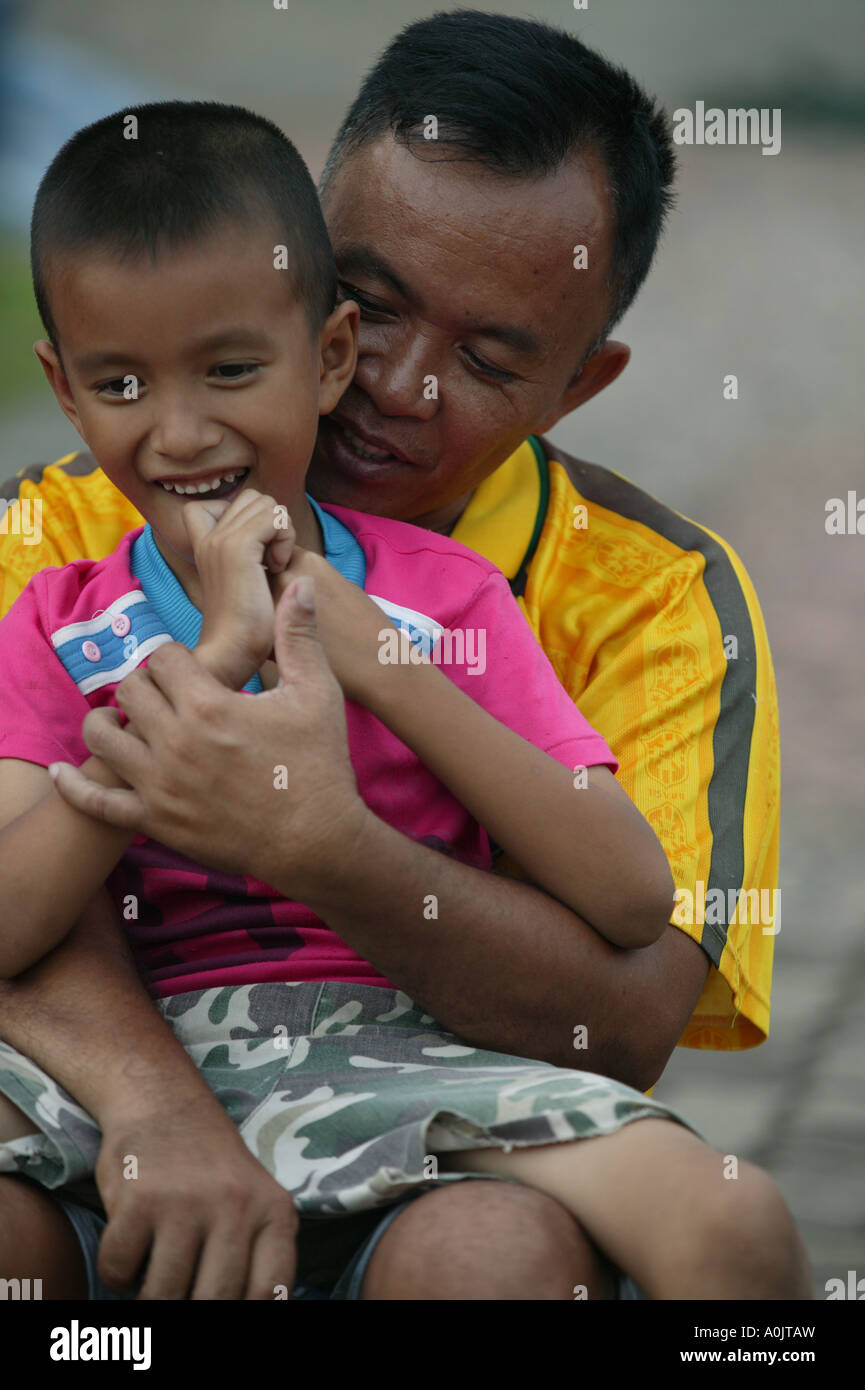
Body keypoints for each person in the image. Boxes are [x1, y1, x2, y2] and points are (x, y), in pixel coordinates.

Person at [0, 13, 788, 1302]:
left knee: (528, 1253)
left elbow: (627, 1016)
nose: (396, 385)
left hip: (408, 1092)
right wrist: (163, 1111)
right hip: (118, 1110)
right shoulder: (51, 552)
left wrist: (322, 840)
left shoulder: (644, 597)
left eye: (486, 359)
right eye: (369, 304)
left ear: (581, 387)